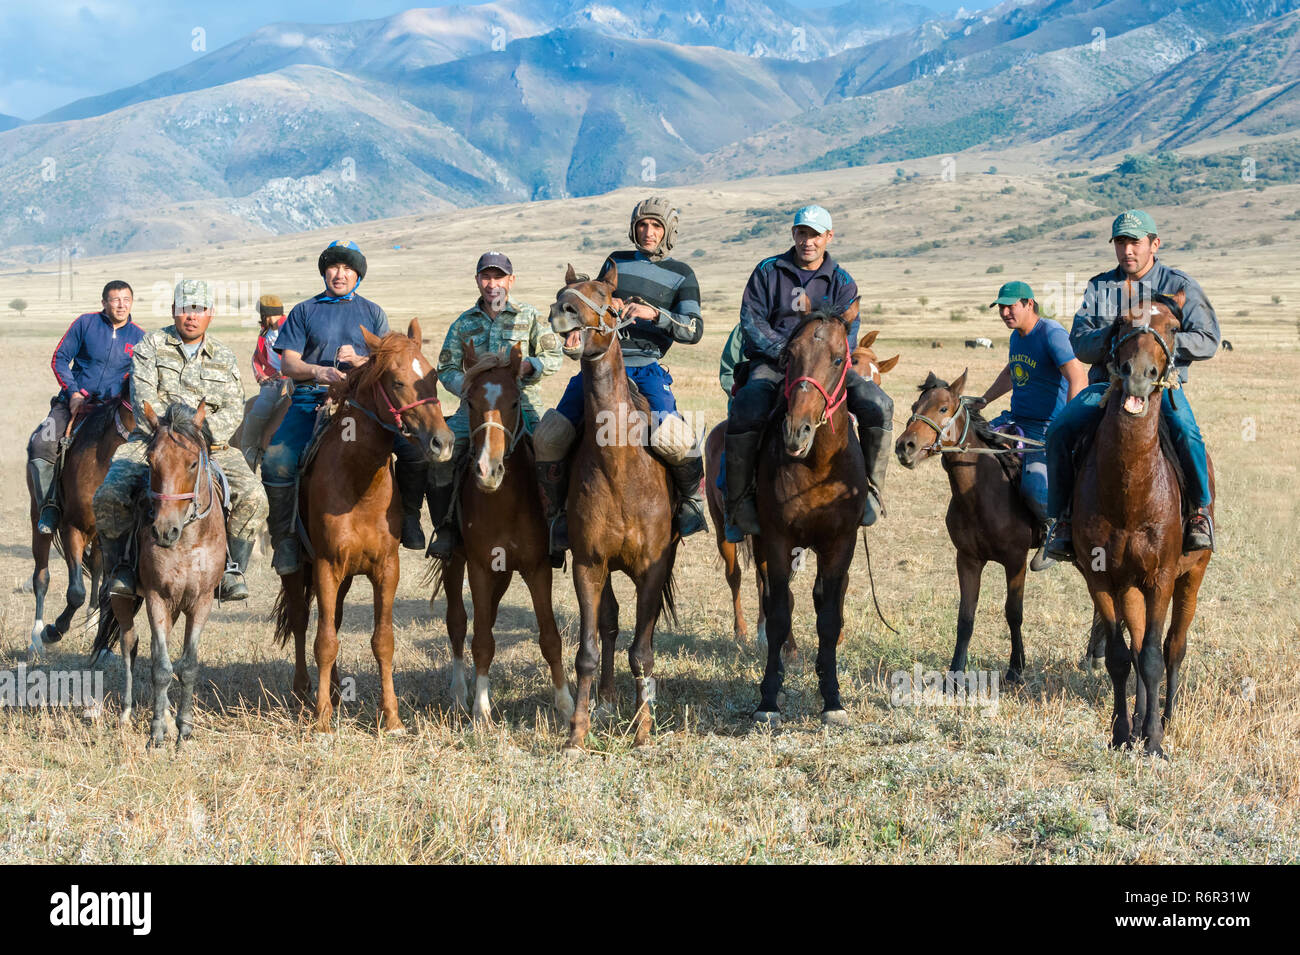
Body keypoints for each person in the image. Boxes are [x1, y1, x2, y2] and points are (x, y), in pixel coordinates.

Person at [532, 196, 706, 562]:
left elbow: (693, 329)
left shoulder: (682, 274)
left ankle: (688, 504)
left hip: (646, 368)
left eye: (656, 226)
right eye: (642, 225)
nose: (648, 232)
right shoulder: (616, 262)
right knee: (549, 437)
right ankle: (558, 516)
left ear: (668, 231)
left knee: (675, 439)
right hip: (600, 367)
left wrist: (653, 314)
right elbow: (593, 305)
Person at [1043, 210, 1220, 560]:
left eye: (1135, 242)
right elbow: (1079, 342)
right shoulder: (1100, 287)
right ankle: (1062, 521)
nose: (1128, 250)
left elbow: (1208, 339)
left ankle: (1199, 513)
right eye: (1121, 242)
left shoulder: (1179, 286)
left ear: (1154, 244)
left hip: (1162, 386)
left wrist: (1158, 345)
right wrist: (1118, 340)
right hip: (1107, 385)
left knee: (1186, 431)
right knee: (1060, 431)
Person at [724, 204, 893, 542]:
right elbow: (751, 319)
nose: (808, 241)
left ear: (828, 237)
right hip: (774, 364)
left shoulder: (843, 282)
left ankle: (871, 489)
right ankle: (739, 501)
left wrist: (817, 359)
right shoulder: (768, 271)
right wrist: (786, 353)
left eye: (815, 235)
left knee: (880, 404)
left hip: (824, 370)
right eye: (802, 233)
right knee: (747, 407)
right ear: (794, 235)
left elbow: (847, 334)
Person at [93, 280, 269, 601]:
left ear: (210, 314)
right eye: (185, 309)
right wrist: (174, 435)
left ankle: (230, 571)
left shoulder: (224, 357)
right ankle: (121, 569)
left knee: (255, 497)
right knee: (109, 494)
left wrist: (202, 435)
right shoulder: (150, 346)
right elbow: (143, 396)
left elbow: (233, 406)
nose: (191, 316)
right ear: (174, 311)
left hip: (211, 447)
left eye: (199, 309)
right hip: (153, 443)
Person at [260, 240, 429, 575]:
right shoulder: (305, 311)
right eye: (334, 267)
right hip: (313, 399)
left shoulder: (372, 312)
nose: (340, 274)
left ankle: (409, 518)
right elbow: (289, 364)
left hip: (366, 404)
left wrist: (363, 360)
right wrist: (318, 370)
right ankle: (286, 540)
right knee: (278, 460)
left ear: (358, 275)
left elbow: (390, 362)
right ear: (325, 271)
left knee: (415, 452)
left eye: (348, 268)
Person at [425, 251, 563, 557]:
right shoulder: (463, 323)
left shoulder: (529, 316)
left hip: (523, 405)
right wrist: (471, 388)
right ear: (477, 280)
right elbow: (446, 367)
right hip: (473, 411)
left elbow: (554, 357)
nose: (492, 284)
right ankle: (446, 529)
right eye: (486, 277)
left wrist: (531, 366)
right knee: (441, 456)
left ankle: (555, 525)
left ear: (510, 281)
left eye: (498, 277)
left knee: (552, 451)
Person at [970, 281, 1088, 570]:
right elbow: (1013, 371)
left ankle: (1056, 531)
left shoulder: (1051, 333)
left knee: (1035, 486)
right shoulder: (1017, 337)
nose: (1005, 312)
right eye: (1001, 307)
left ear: (1029, 304)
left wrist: (1068, 425)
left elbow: (1078, 377)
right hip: (1016, 419)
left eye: (1011, 306)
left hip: (1047, 426)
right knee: (972, 447)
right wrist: (984, 400)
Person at [28, 281, 144, 534]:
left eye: (126, 299)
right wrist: (73, 392)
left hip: (111, 411)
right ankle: (49, 506)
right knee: (40, 444)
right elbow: (60, 358)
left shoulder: (140, 338)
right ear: (103, 303)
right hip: (72, 405)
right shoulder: (85, 324)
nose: (121, 304)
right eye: (115, 299)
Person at [239, 294, 291, 470]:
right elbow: (256, 358)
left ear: (266, 314)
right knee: (260, 408)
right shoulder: (265, 333)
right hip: (271, 381)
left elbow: (301, 352)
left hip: (290, 378)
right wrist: (260, 375)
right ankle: (250, 449)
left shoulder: (291, 328)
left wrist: (286, 370)